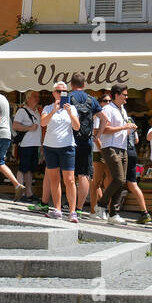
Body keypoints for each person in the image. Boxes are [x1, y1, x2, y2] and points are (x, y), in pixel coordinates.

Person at [40, 80, 80, 221]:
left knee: (69, 180)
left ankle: (72, 211)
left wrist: (69, 112)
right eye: (58, 91)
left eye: (64, 92)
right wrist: (54, 110)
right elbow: (43, 123)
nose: (61, 93)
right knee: (54, 179)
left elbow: (76, 127)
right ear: (53, 93)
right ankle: (57, 209)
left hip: (67, 146)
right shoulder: (48, 107)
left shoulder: (72, 108)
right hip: (50, 146)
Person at [97, 86, 136, 224]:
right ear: (116, 95)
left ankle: (113, 214)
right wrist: (124, 127)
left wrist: (129, 129)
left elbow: (121, 129)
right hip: (110, 147)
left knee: (122, 181)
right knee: (119, 179)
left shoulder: (123, 110)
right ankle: (101, 204)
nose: (126, 97)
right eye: (124, 95)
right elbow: (105, 130)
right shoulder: (107, 109)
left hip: (122, 147)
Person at [66, 73, 102, 219]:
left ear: (71, 84)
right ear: (84, 84)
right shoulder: (91, 99)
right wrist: (97, 135)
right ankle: (80, 208)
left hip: (70, 140)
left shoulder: (68, 97)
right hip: (87, 141)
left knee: (69, 175)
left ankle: (72, 207)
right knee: (84, 175)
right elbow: (104, 119)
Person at [119, 89, 152, 225]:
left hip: (123, 151)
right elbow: (137, 140)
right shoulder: (131, 120)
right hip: (133, 151)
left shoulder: (120, 120)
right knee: (132, 183)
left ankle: (108, 210)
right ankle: (145, 212)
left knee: (115, 180)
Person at [11, 91, 42, 202]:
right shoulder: (22, 111)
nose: (37, 98)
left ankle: (28, 193)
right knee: (23, 168)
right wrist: (29, 128)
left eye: (38, 96)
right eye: (34, 96)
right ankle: (19, 192)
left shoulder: (37, 112)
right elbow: (15, 125)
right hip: (26, 143)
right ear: (28, 98)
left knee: (30, 169)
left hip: (35, 144)